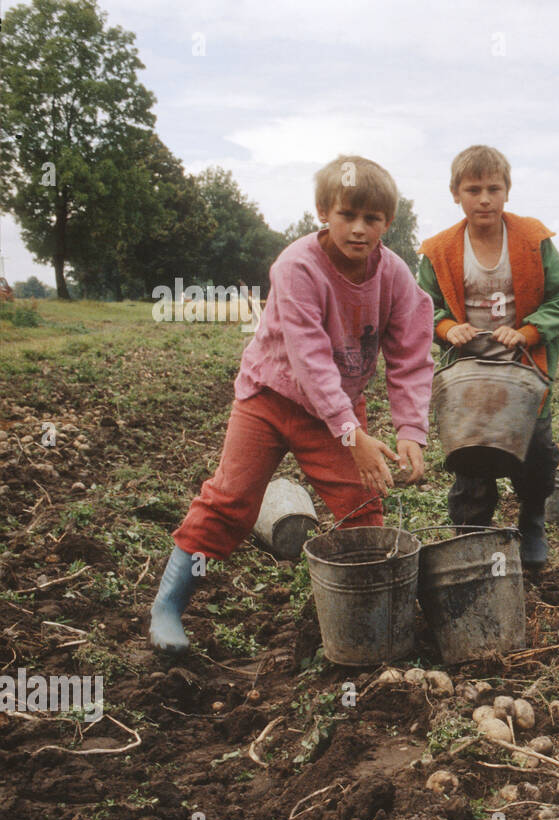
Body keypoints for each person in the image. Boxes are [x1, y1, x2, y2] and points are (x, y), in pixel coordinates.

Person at [149, 155, 436, 653]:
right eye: (348, 214)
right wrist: (352, 435)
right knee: (230, 504)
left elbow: (411, 354)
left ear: (388, 222)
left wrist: (411, 431)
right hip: (270, 398)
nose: (360, 229)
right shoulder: (298, 265)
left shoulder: (393, 276)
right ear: (323, 211)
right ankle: (168, 607)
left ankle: (369, 621)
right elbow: (310, 358)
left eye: (373, 218)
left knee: (363, 510)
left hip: (337, 410)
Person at [417, 145, 559, 569]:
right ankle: (470, 540)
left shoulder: (532, 240)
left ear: (507, 191)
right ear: (456, 194)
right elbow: (421, 306)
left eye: (494, 188)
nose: (484, 198)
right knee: (472, 463)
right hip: (467, 376)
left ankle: (532, 523)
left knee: (537, 454)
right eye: (473, 189)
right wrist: (447, 327)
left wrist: (527, 331)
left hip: (524, 372)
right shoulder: (437, 251)